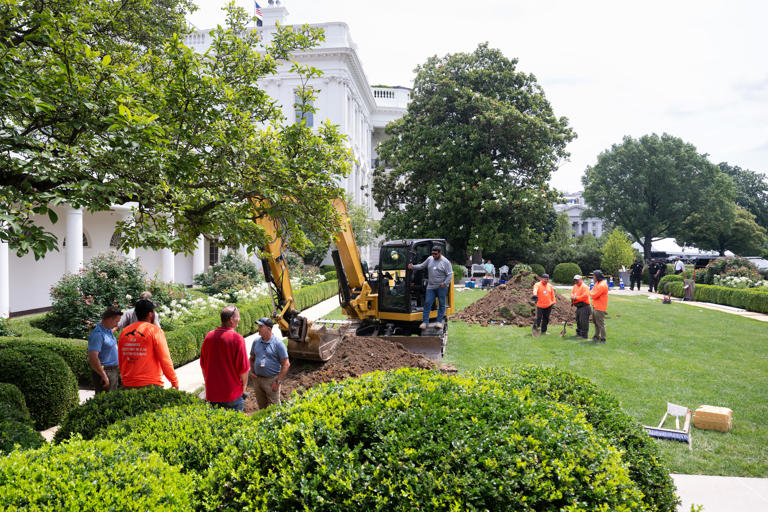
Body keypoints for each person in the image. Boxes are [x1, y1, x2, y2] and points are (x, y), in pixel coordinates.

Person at [118, 298, 178, 389]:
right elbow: (165, 359)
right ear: (150, 314)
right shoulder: (155, 331)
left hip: (127, 384)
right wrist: (174, 381)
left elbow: (121, 358)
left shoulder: (124, 332)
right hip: (150, 384)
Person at [200, 306, 250, 412]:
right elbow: (243, 369)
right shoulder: (237, 339)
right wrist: (244, 386)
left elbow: (203, 365)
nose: (239, 319)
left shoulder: (209, 336)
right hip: (232, 394)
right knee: (235, 422)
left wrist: (208, 384)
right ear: (231, 319)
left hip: (213, 394)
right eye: (238, 316)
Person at [249, 317, 290, 410]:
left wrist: (278, 382)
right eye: (258, 326)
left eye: (261, 326)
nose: (258, 329)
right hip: (257, 380)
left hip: (271, 381)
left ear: (268, 329)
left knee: (274, 408)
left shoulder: (278, 344)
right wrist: (251, 371)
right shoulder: (256, 342)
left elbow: (286, 364)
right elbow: (251, 359)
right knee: (262, 407)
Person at [408, 246, 453, 329]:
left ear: (440, 253)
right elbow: (422, 266)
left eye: (435, 254)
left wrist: (445, 283)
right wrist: (413, 266)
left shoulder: (446, 262)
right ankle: (425, 322)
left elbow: (450, 274)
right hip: (431, 286)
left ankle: (439, 322)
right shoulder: (430, 259)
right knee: (427, 303)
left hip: (441, 287)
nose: (434, 255)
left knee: (442, 304)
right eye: (432, 254)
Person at [87, 306, 123, 393]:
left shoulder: (107, 331)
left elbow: (114, 329)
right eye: (116, 321)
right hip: (105, 372)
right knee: (105, 399)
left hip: (112, 371)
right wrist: (104, 375)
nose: (117, 324)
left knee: (112, 398)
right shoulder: (98, 335)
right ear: (109, 319)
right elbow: (92, 358)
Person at [590, 270, 609, 344]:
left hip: (600, 307)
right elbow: (592, 292)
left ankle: (603, 339)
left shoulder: (602, 285)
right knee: (596, 323)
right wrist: (591, 293)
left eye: (594, 276)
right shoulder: (597, 283)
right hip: (595, 306)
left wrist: (591, 293)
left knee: (600, 324)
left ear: (597, 276)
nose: (593, 277)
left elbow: (594, 295)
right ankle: (596, 336)